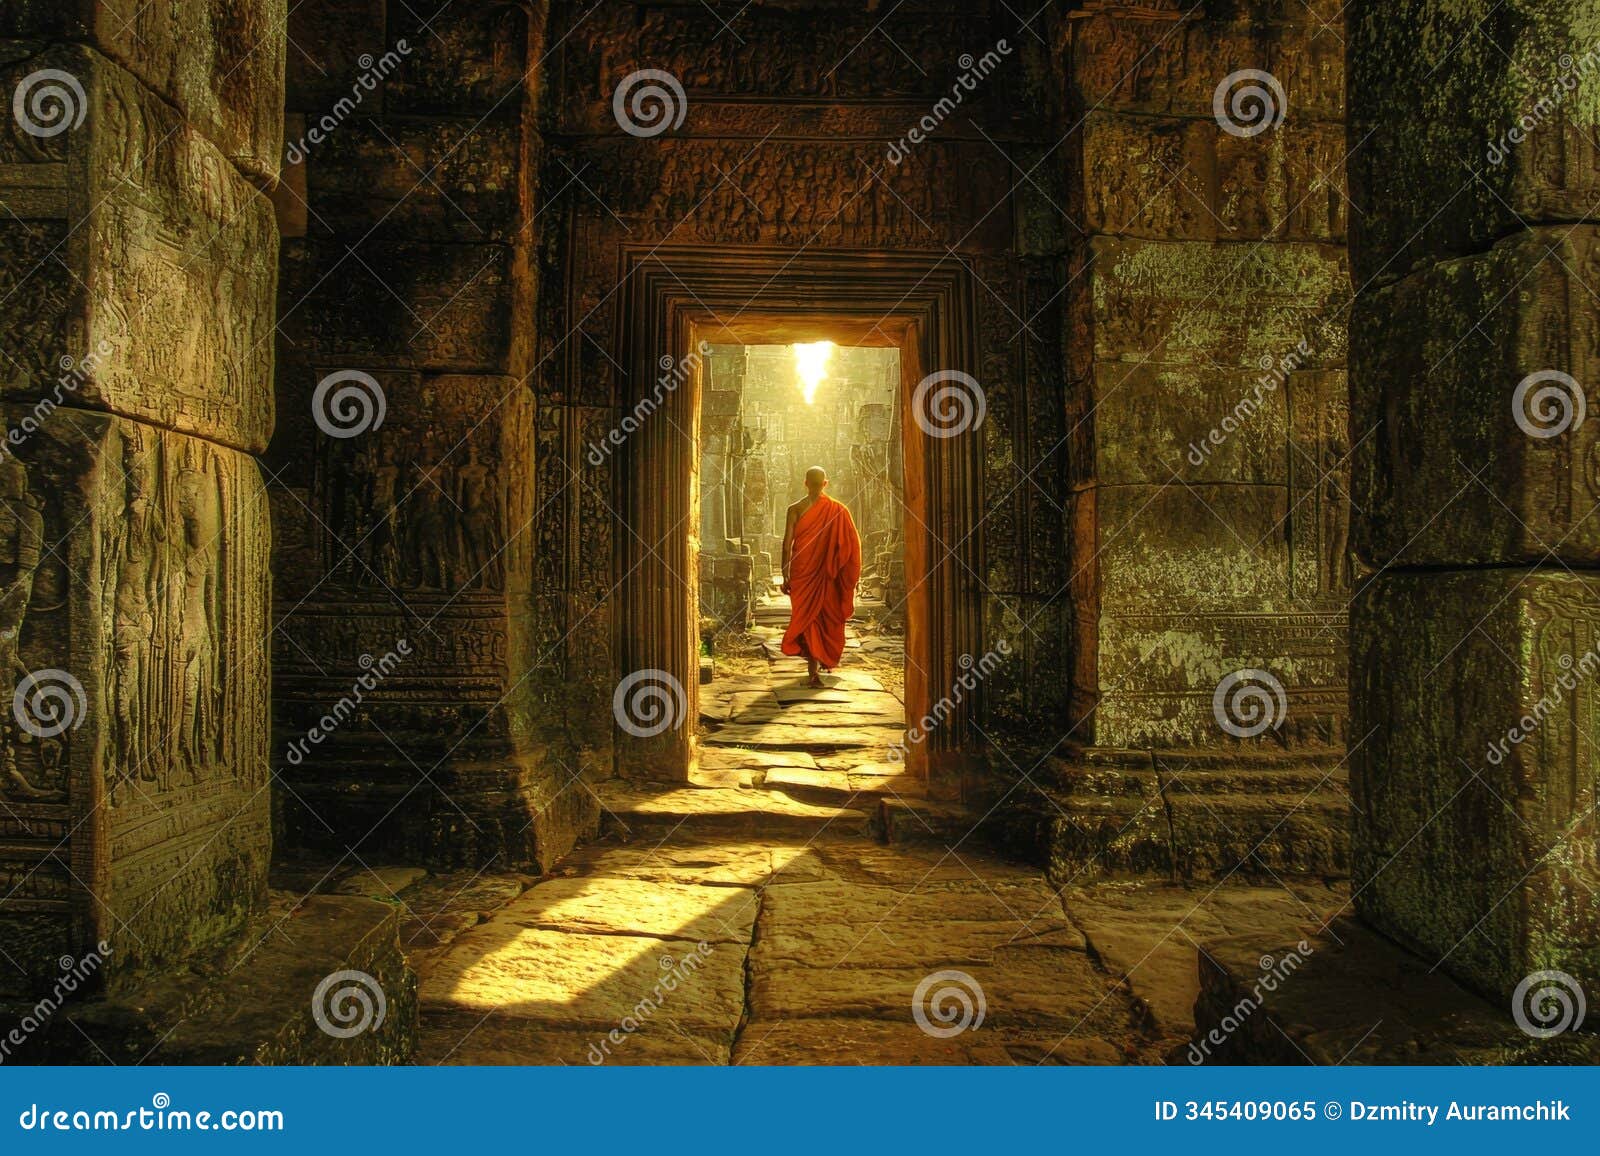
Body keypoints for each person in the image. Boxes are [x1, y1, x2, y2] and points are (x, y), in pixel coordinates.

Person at [780, 466, 862, 687]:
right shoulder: (839, 510)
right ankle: (815, 668)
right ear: (825, 483)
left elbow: (787, 544)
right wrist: (848, 575)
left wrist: (784, 573)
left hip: (801, 572)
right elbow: (851, 548)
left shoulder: (794, 509)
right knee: (822, 618)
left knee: (807, 618)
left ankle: (812, 670)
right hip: (825, 574)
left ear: (805, 483)